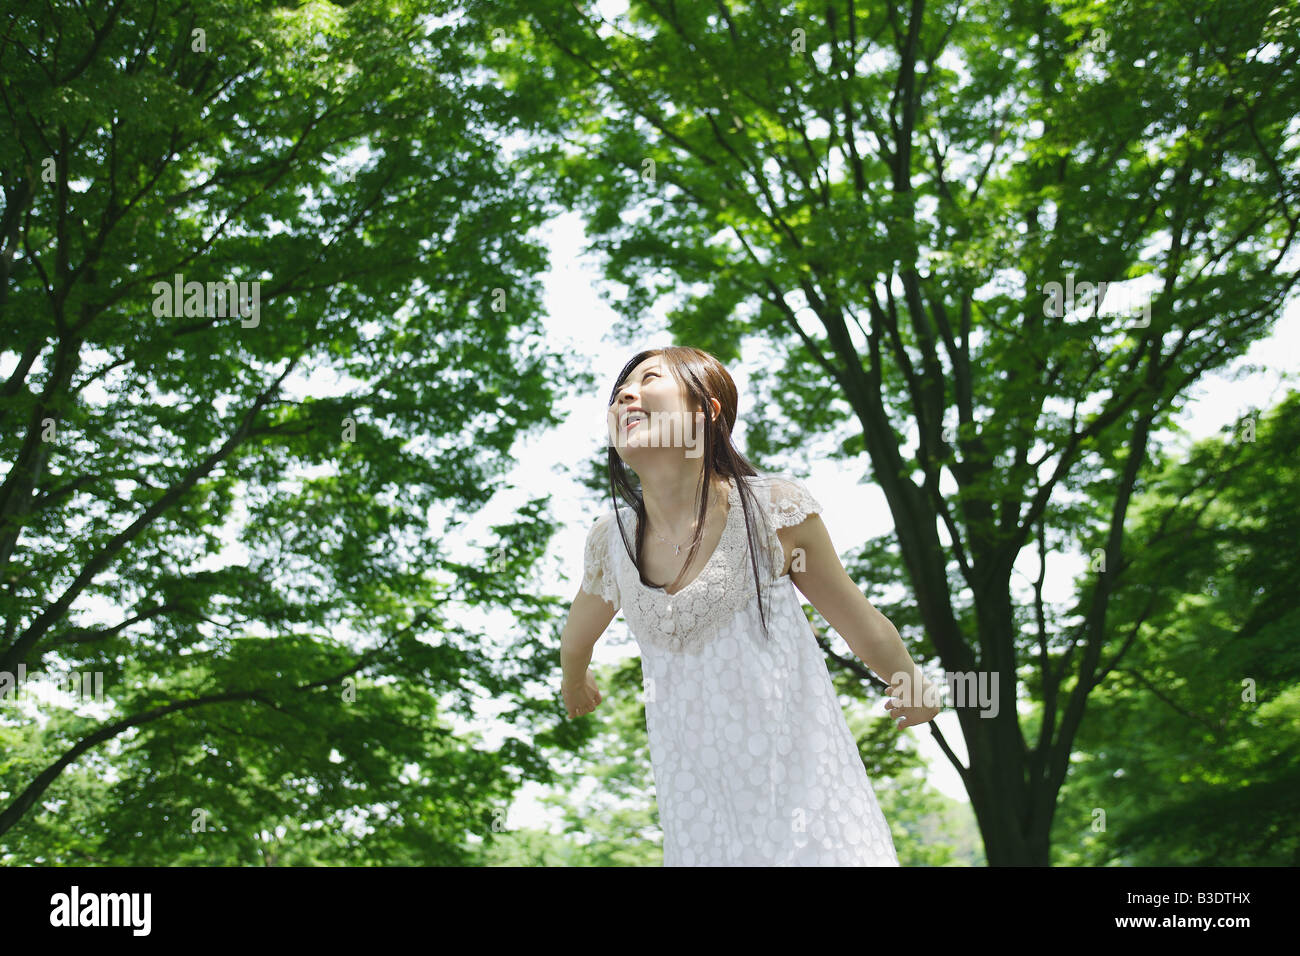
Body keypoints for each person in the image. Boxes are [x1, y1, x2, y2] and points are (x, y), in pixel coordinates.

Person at [560, 346, 941, 865]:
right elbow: (578, 636)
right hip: (701, 825)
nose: (626, 393)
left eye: (649, 379)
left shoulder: (772, 510)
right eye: (620, 391)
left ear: (706, 412)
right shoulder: (613, 542)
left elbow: (859, 620)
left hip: (813, 812)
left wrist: (908, 680)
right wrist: (574, 682)